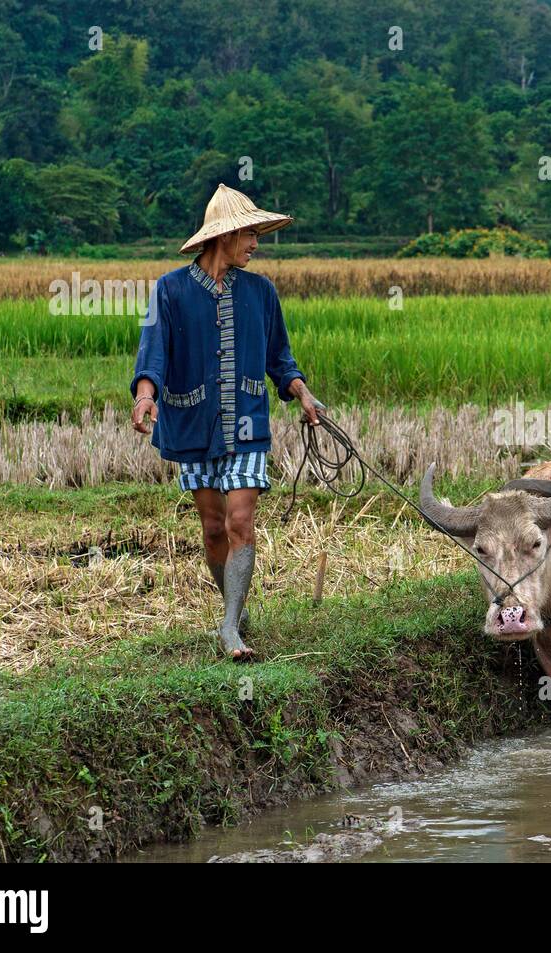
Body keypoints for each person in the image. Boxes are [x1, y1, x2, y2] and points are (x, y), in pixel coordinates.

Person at [130, 183, 322, 661]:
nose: (256, 243)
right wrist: (146, 396)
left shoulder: (261, 291)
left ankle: (230, 628)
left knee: (240, 520)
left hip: (247, 425)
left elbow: (280, 355)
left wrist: (300, 391)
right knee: (214, 528)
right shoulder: (171, 289)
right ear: (225, 236)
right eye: (250, 233)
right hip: (191, 424)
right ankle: (234, 608)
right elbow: (153, 351)